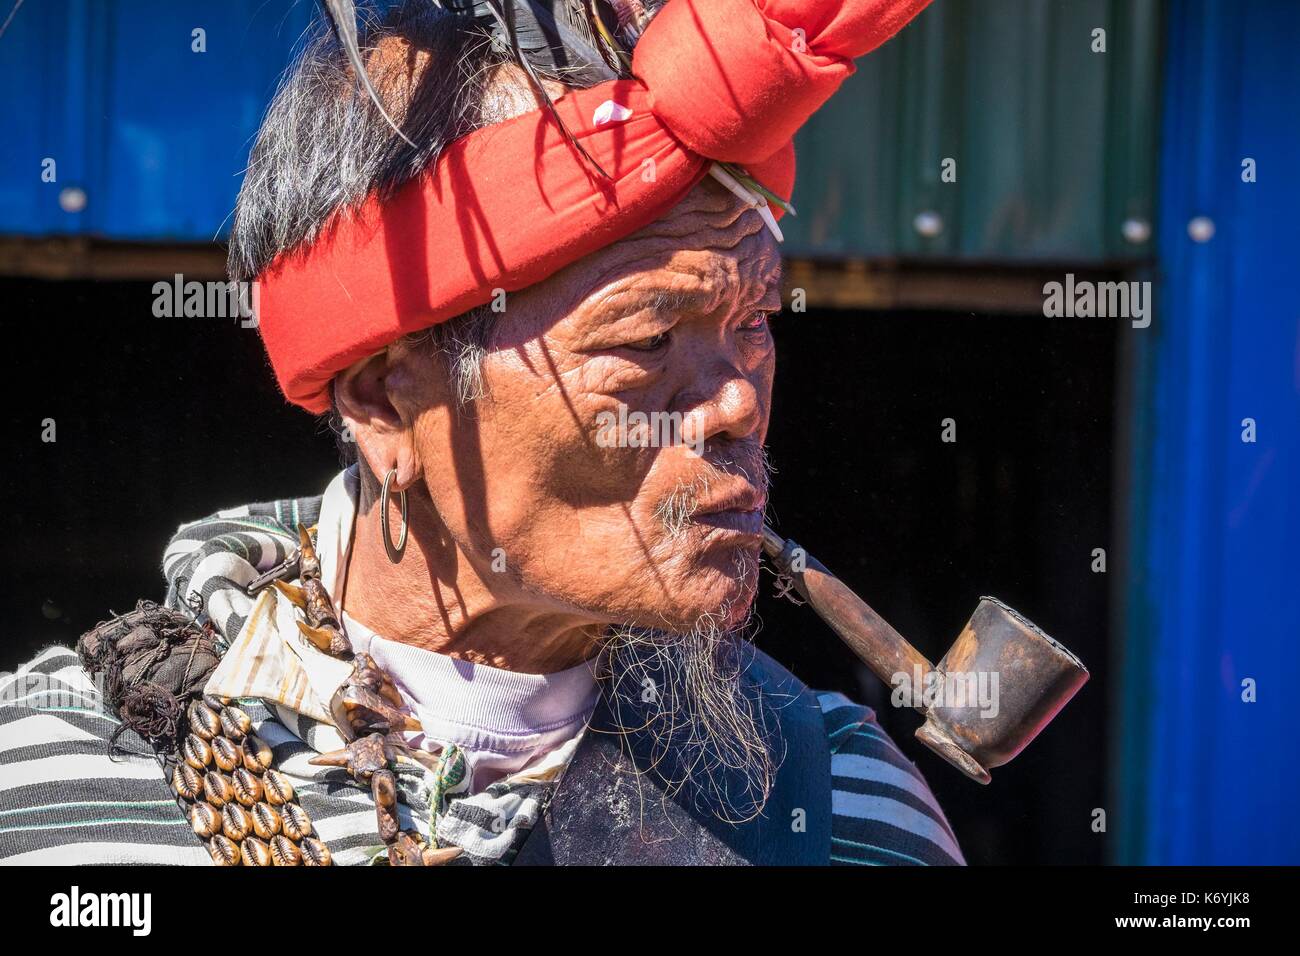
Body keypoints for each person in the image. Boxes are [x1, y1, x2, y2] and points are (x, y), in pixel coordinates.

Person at [0, 0, 962, 866]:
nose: (738, 404)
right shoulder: (64, 785)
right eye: (647, 336)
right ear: (384, 403)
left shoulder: (839, 807)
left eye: (752, 323)